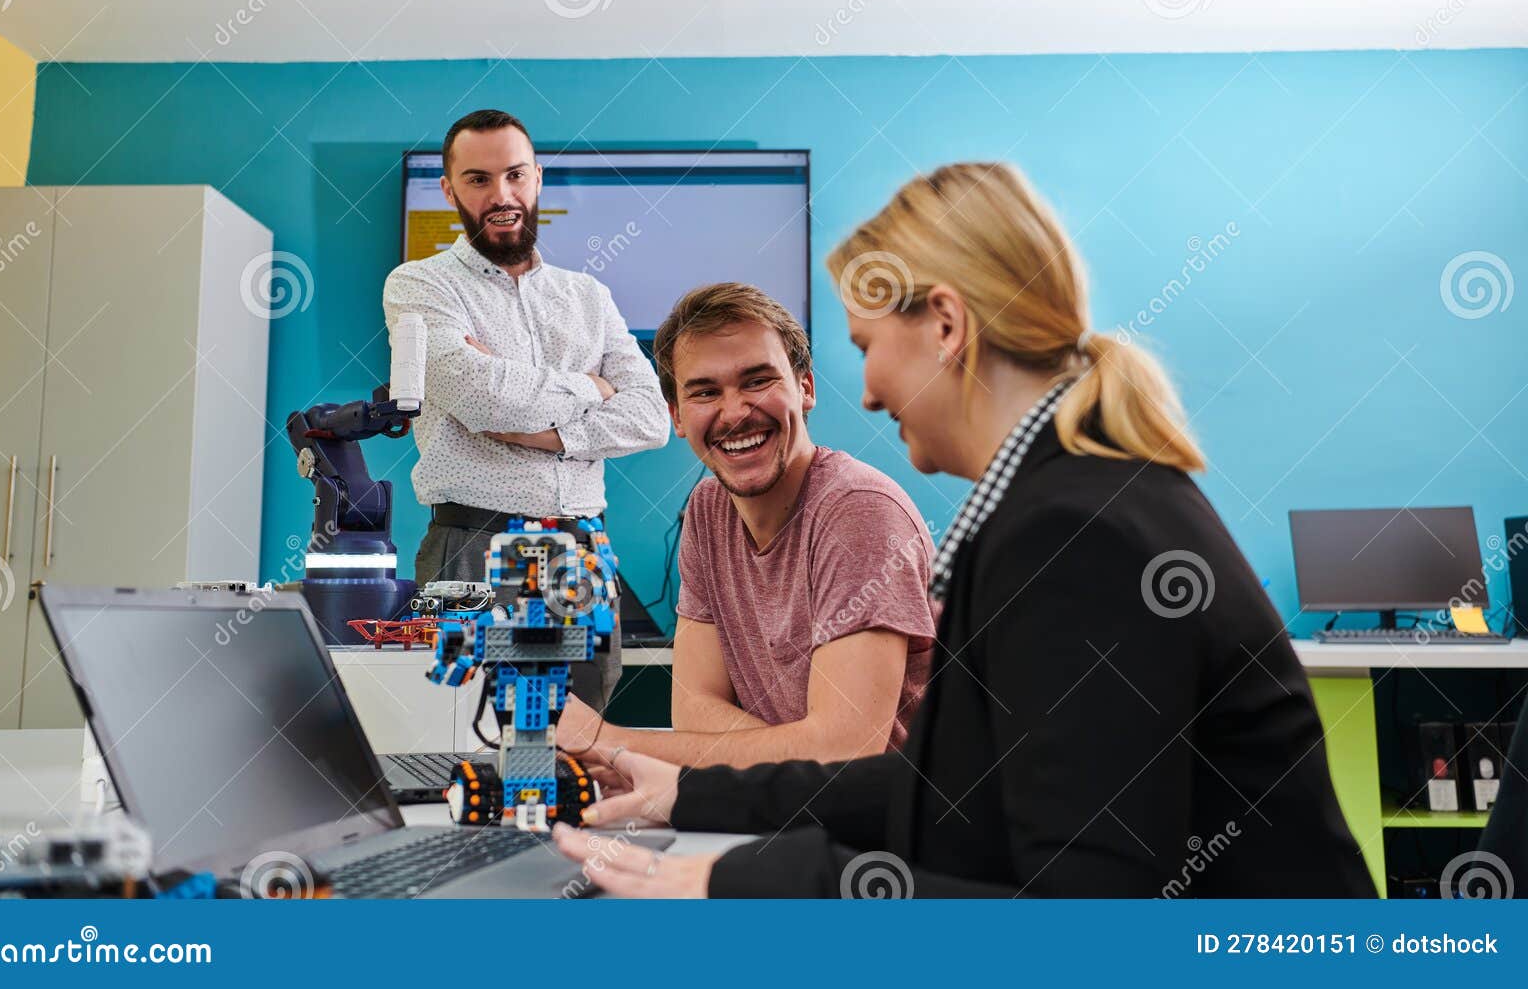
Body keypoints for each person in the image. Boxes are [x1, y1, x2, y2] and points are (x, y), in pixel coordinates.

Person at [550, 163, 1378, 898]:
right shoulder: (1067, 501)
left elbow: (1085, 913)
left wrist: (748, 878)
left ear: (945, 326)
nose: (868, 390)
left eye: (869, 346)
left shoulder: (1074, 533)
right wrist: (687, 794)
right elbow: (949, 788)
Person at [556, 283, 938, 768]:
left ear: (806, 388)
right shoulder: (709, 509)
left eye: (757, 381)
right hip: (787, 815)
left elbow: (845, 755)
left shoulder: (858, 511)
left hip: (889, 835)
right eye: (705, 392)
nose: (735, 413)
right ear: (676, 416)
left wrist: (606, 741)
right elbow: (692, 711)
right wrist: (797, 751)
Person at [383, 108, 669, 707]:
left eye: (514, 175)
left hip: (581, 548)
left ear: (537, 178)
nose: (501, 195)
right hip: (471, 543)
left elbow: (651, 416)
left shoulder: (588, 297)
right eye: (478, 180)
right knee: (460, 729)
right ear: (450, 189)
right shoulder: (420, 285)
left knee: (579, 740)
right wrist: (592, 387)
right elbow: (480, 396)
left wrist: (549, 434)